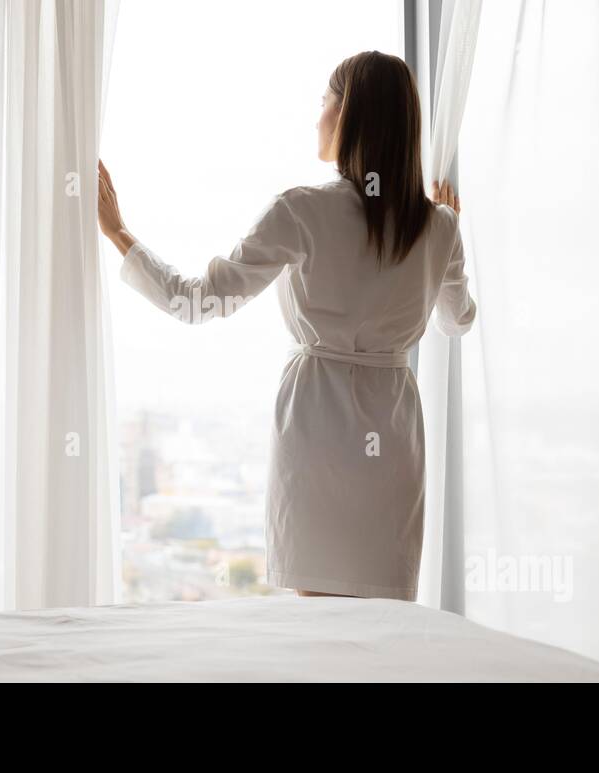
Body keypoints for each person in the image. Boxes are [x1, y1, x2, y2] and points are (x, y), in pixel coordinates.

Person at [97, 50, 476, 601]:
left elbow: (196, 302)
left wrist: (118, 232)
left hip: (314, 424)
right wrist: (449, 242)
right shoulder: (439, 227)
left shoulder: (301, 211)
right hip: (392, 436)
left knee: (314, 612)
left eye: (325, 99)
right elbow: (458, 320)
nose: (316, 113)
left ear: (349, 114)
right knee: (385, 618)